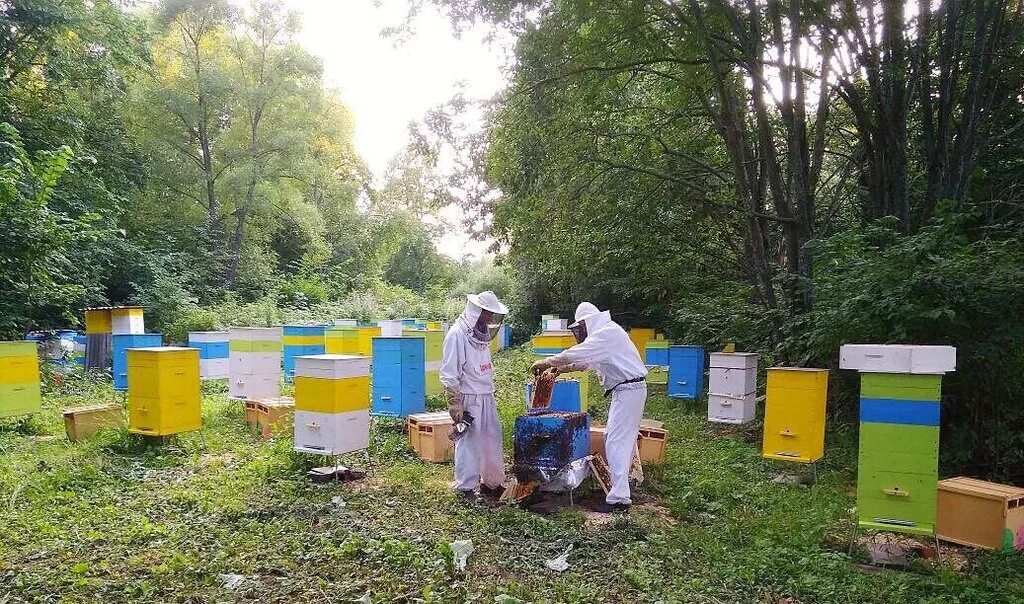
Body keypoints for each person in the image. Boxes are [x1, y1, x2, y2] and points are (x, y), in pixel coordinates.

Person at [531, 302, 648, 513]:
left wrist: (547, 362)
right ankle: (622, 489)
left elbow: (577, 353)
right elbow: (586, 362)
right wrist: (561, 369)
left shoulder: (607, 334)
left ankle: (619, 500)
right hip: (628, 390)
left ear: (586, 322)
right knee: (618, 439)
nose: (580, 332)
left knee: (616, 441)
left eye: (580, 327)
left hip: (629, 390)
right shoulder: (607, 336)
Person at [440, 290, 509, 502]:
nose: (489, 319)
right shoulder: (457, 335)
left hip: (486, 395)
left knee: (492, 438)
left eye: (491, 315)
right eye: (486, 313)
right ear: (475, 311)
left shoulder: (481, 336)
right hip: (469, 397)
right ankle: (465, 488)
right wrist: (455, 403)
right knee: (470, 444)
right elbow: (449, 373)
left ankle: (491, 484)